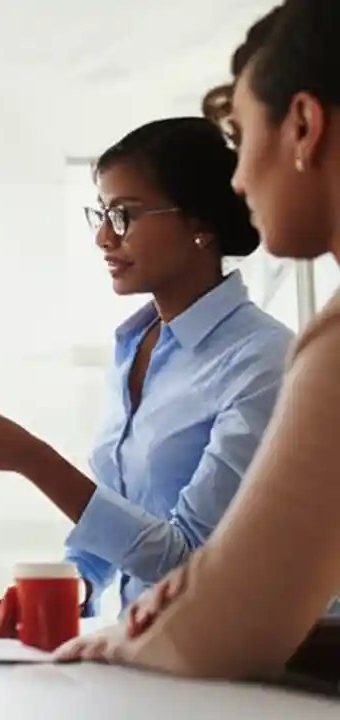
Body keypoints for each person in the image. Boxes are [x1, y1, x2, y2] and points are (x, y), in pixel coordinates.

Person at [0, 116, 295, 634]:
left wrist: (31, 458)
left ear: (199, 223)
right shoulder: (135, 345)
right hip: (152, 651)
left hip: (243, 662)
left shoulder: (262, 361)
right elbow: (114, 530)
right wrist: (46, 595)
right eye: (102, 213)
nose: (103, 237)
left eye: (124, 215)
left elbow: (192, 565)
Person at [57, 0, 340, 682]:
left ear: (302, 125)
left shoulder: (299, 354)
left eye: (243, 140)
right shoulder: (135, 349)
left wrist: (127, 639)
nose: (237, 181)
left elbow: (233, 615)